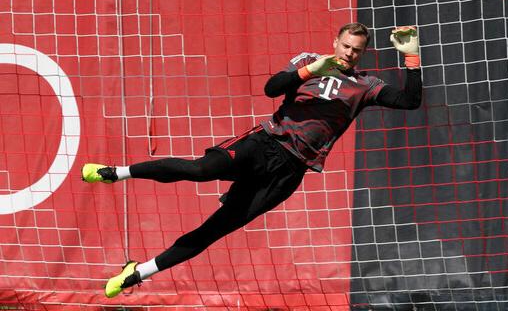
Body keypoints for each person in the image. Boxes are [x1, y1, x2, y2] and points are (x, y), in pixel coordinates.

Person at [81, 22, 422, 298]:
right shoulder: (308, 61)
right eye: (346, 46)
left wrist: (411, 56)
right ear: (336, 42)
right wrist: (312, 69)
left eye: (356, 50)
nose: (349, 53)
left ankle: (136, 273)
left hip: (289, 172)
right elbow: (272, 89)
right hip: (265, 143)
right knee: (201, 170)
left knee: (214, 230)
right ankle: (116, 173)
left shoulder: (366, 85)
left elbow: (409, 101)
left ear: (362, 53)